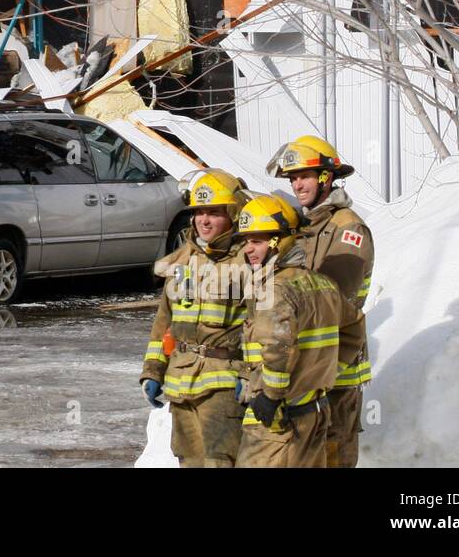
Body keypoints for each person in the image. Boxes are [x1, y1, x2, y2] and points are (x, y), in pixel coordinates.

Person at [265, 135, 374, 468]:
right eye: (293, 177)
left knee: (332, 454)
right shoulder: (304, 228)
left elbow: (331, 299)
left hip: (336, 373)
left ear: (326, 177)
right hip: (304, 370)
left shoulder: (348, 230)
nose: (297, 184)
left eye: (305, 176)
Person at [234, 193, 357, 468]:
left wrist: (269, 396)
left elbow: (279, 347)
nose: (248, 249)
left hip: (278, 420)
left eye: (257, 241)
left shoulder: (274, 289)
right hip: (315, 411)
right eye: (245, 241)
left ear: (281, 240)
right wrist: (327, 371)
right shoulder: (321, 283)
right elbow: (354, 326)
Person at [140, 169, 251, 467]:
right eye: (199, 212)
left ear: (234, 213)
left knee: (220, 462)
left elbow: (263, 328)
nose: (204, 220)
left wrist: (249, 374)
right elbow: (164, 323)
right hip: (181, 382)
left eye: (213, 212)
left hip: (223, 386)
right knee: (189, 461)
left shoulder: (249, 262)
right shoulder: (182, 261)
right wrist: (153, 371)